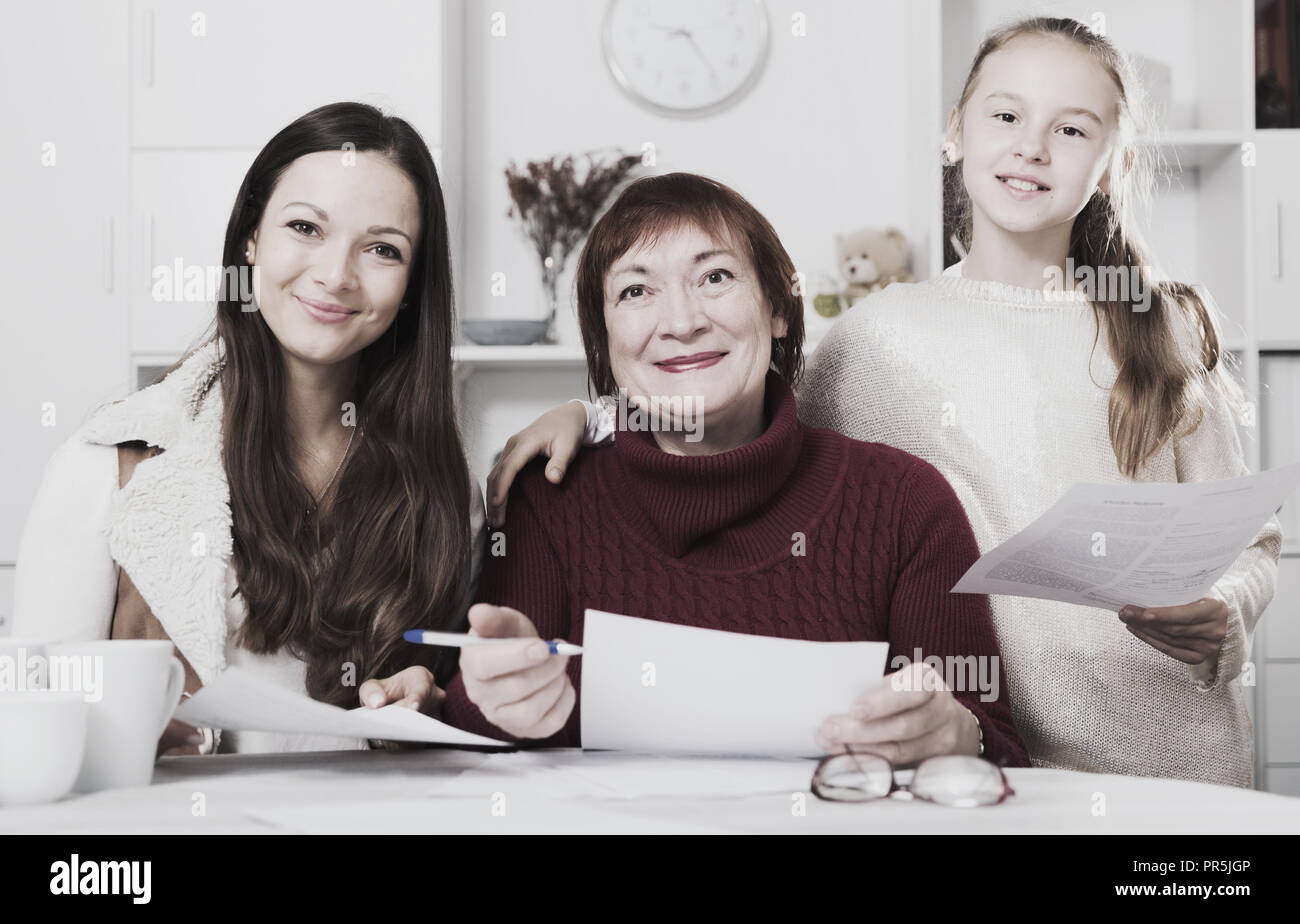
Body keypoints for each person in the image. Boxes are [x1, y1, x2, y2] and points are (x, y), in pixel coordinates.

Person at [487, 19, 1280, 788]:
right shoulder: (878, 337)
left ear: (1113, 163)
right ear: (954, 134)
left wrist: (1223, 611)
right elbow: (736, 403)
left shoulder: (1164, 327)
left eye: (1071, 131)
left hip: (1183, 758)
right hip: (1001, 760)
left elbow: (1250, 543)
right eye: (1006, 115)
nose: (1032, 146)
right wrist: (593, 417)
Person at [435, 172, 1030, 767]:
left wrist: (959, 736)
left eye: (715, 277)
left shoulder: (906, 504)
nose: (682, 321)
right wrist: (490, 703)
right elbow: (473, 735)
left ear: (775, 308)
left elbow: (1000, 752)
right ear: (606, 339)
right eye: (636, 292)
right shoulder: (546, 498)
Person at [14, 102, 486, 754]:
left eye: (381, 248)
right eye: (305, 227)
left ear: (411, 286)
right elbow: (29, 725)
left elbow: (459, 703)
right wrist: (130, 736)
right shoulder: (109, 464)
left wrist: (431, 707)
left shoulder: (446, 488)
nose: (335, 275)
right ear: (251, 238)